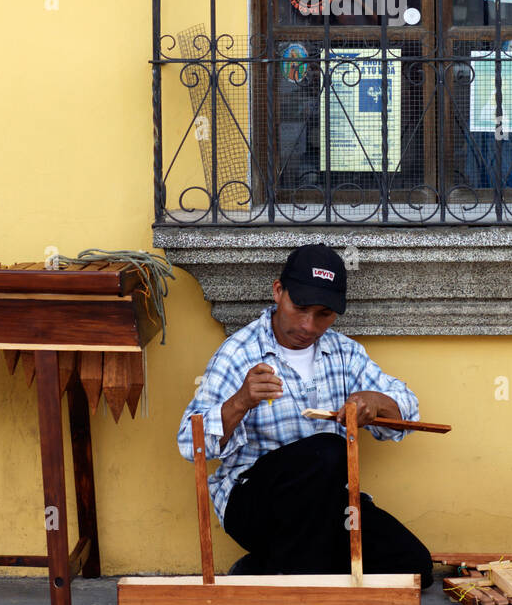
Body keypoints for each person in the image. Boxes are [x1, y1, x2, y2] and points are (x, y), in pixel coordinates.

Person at [176, 243, 433, 586]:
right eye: (300, 308)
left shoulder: (345, 353)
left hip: (326, 508)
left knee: (413, 567)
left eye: (323, 314)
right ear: (279, 292)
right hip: (255, 505)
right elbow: (189, 443)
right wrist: (240, 401)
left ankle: (268, 569)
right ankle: (298, 565)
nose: (309, 326)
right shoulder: (239, 352)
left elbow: (407, 406)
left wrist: (376, 401)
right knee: (327, 450)